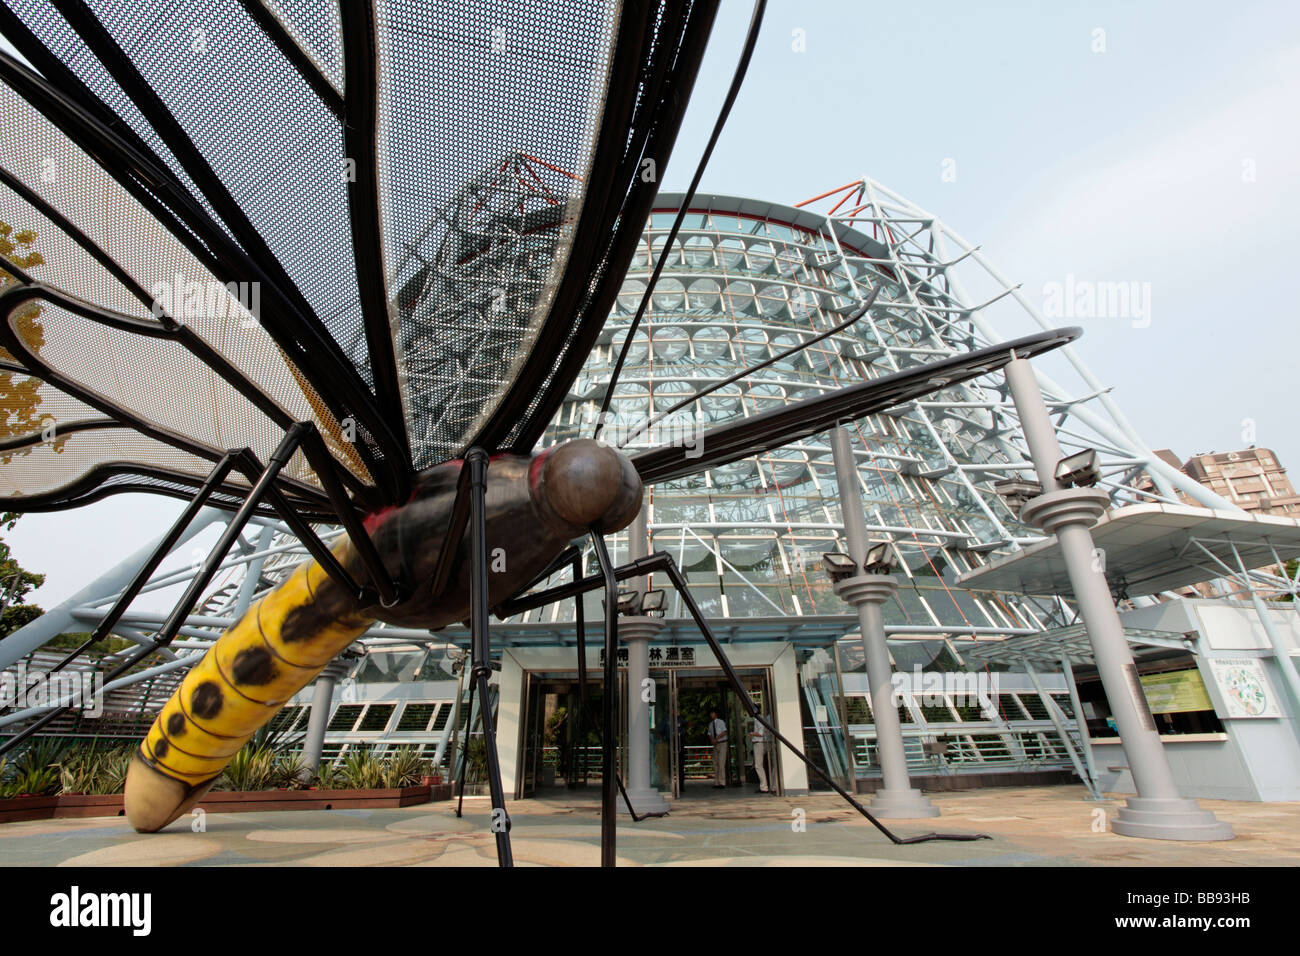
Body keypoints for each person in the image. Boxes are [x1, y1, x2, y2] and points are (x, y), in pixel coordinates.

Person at [707, 709, 728, 788]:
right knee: (716, 763)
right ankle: (717, 782)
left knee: (721, 762)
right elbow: (709, 733)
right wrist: (712, 739)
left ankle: (722, 782)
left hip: (722, 743)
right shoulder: (710, 724)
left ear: (715, 714)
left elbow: (724, 732)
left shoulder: (721, 722)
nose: (711, 715)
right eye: (711, 714)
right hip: (715, 744)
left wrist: (717, 738)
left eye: (713, 713)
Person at [749, 715, 769, 793]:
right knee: (759, 765)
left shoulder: (758, 719)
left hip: (759, 743)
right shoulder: (759, 719)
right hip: (759, 743)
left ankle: (764, 786)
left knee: (758, 765)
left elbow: (761, 733)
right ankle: (764, 786)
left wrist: (752, 733)